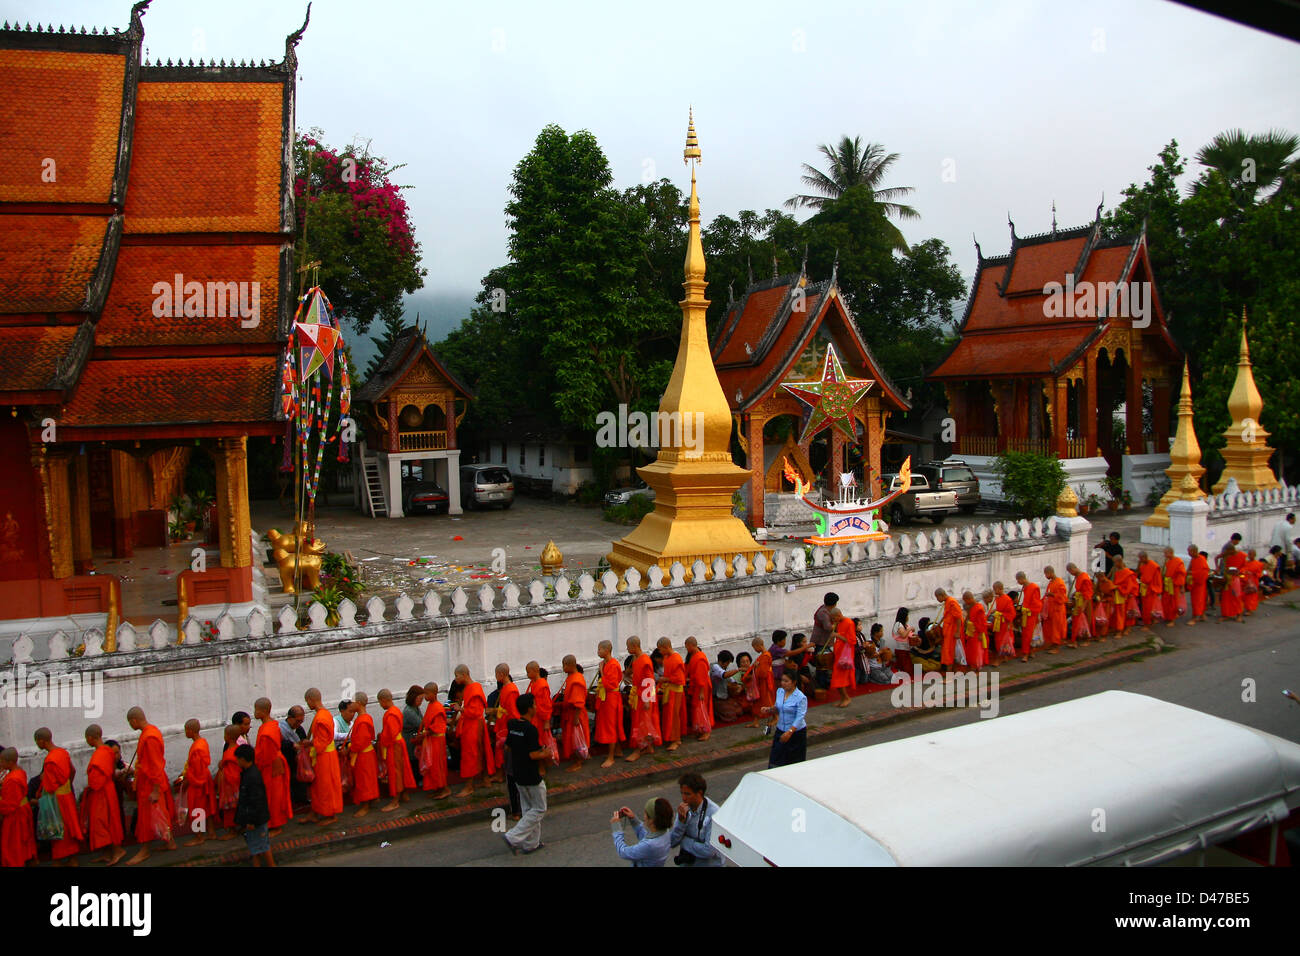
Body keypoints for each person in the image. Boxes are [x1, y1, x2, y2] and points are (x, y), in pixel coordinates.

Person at [125, 706, 177, 864]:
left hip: (150, 784)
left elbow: (155, 765)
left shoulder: (150, 737)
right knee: (159, 813)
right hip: (146, 782)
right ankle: (171, 843)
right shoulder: (149, 733)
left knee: (147, 817)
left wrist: (155, 789)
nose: (130, 725)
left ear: (134, 720)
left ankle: (145, 850)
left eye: (129, 722)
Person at [502, 693, 550, 855]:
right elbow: (533, 754)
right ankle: (512, 836)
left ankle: (531, 844)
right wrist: (547, 753)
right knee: (539, 809)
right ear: (530, 709)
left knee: (529, 809)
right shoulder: (530, 729)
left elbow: (507, 746)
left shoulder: (513, 725)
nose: (536, 707)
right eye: (535, 705)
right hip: (531, 774)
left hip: (517, 773)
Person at [34, 728, 82, 864]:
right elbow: (72, 770)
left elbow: (49, 786)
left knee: (57, 827)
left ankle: (58, 861)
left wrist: (41, 790)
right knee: (70, 825)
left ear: (41, 741)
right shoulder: (63, 753)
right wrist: (68, 785)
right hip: (67, 794)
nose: (37, 744)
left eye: (37, 742)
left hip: (56, 799)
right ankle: (73, 859)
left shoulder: (50, 759)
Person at [82, 724, 125, 864]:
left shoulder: (101, 752)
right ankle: (107, 852)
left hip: (101, 791)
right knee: (103, 820)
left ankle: (117, 850)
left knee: (104, 821)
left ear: (90, 738)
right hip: (106, 788)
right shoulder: (107, 751)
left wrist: (91, 788)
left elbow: (96, 778)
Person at [303, 688, 343, 826]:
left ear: (310, 700)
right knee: (317, 786)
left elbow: (321, 742)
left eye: (307, 701)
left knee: (326, 786)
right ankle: (314, 812)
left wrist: (309, 743)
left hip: (325, 756)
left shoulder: (321, 718)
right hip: (324, 754)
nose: (307, 705)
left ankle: (330, 815)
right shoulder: (324, 714)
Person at [252, 698, 292, 835]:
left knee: (273, 796)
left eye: (256, 709)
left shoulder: (267, 731)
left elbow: (266, 756)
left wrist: (257, 766)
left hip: (271, 767)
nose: (254, 712)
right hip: (274, 762)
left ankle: (276, 825)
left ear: (263, 711)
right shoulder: (272, 725)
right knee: (272, 795)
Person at [234, 744, 275, 867]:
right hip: (256, 818)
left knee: (261, 846)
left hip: (256, 819)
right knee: (256, 847)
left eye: (237, 759)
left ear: (243, 759)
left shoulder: (251, 776)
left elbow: (256, 800)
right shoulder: (250, 773)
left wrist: (251, 821)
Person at [177, 718, 216, 844]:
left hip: (198, 781)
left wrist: (188, 779)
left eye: (186, 730)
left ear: (191, 731)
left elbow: (197, 768)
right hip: (205, 778)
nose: (185, 733)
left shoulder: (197, 748)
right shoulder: (202, 742)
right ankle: (211, 832)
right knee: (207, 807)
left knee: (197, 809)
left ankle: (199, 836)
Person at [670, 772, 721, 866]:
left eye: (688, 794)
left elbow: (709, 851)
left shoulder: (714, 813)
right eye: (682, 793)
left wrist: (684, 841)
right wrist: (681, 823)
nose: (684, 798)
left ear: (699, 793)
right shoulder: (684, 810)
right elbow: (671, 842)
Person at [378, 688, 417, 808]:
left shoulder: (391, 714)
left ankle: (395, 801)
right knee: (402, 768)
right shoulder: (395, 711)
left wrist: (382, 738)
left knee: (396, 771)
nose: (380, 705)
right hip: (398, 743)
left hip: (394, 745)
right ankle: (404, 794)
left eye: (380, 702)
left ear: (384, 700)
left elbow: (392, 733)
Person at [763, 669, 808, 768]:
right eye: (782, 680)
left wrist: (790, 732)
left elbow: (800, 717)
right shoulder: (780, 691)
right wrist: (769, 709)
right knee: (776, 759)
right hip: (781, 730)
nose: (783, 683)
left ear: (794, 682)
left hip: (795, 733)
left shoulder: (801, 697)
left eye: (786, 681)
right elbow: (778, 708)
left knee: (794, 762)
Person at [625, 637, 661, 760]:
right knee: (641, 722)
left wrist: (646, 700)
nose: (627, 649)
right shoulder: (638, 659)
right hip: (638, 694)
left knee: (642, 723)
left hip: (644, 696)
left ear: (634, 646)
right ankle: (648, 747)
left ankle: (639, 748)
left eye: (628, 647)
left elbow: (649, 680)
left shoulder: (645, 661)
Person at [611, 798, 675, 867]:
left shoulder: (650, 845)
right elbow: (646, 838)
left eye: (646, 813)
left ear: (652, 820)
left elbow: (623, 852)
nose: (644, 816)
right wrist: (633, 819)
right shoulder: (665, 832)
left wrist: (616, 828)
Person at [0, 748, 36, 868]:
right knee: (23, 841)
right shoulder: (19, 772)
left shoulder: (12, 780)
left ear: (10, 762)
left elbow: (10, 804)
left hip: (15, 815)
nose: (0, 764)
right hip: (23, 808)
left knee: (12, 844)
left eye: (2, 761)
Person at [415, 682, 451, 799]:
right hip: (430, 740)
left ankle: (444, 789)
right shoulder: (431, 705)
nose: (425, 696)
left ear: (434, 693)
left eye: (427, 693)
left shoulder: (438, 707)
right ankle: (437, 788)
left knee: (437, 765)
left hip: (437, 740)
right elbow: (426, 721)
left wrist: (426, 733)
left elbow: (438, 726)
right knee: (431, 765)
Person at [593, 641, 626, 765]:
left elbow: (610, 684)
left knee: (611, 725)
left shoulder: (612, 664)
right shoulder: (606, 663)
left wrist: (601, 671)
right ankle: (617, 750)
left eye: (600, 649)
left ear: (607, 650)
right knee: (610, 724)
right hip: (606, 697)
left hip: (611, 697)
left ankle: (610, 757)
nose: (598, 652)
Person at [347, 693, 380, 816]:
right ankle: (371, 799)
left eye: (353, 702)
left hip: (364, 754)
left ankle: (366, 805)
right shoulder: (363, 718)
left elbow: (361, 741)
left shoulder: (363, 720)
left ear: (359, 703)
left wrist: (350, 749)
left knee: (364, 779)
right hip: (365, 753)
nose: (351, 704)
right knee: (367, 778)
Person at [490, 665, 520, 782]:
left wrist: (513, 727)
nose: (496, 676)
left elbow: (513, 711)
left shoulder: (511, 690)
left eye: (496, 674)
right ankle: (500, 774)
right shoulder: (506, 688)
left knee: (504, 750)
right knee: (500, 750)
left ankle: (502, 774)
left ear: (501, 674)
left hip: (507, 724)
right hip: (502, 722)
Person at [524, 661, 559, 766]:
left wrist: (547, 721)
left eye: (528, 672)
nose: (527, 675)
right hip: (534, 718)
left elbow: (547, 705)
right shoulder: (534, 683)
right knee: (536, 742)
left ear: (535, 671)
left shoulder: (542, 685)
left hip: (541, 719)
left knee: (541, 742)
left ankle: (543, 766)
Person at [658, 638, 688, 750]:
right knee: (668, 715)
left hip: (675, 691)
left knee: (674, 715)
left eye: (660, 649)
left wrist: (665, 679)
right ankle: (671, 737)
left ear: (666, 647)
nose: (660, 652)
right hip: (668, 689)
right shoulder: (666, 658)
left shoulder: (676, 659)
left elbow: (680, 679)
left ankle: (676, 739)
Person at [560, 655, 590, 770]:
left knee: (576, 738)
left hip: (576, 714)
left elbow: (578, 701)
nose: (563, 668)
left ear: (569, 665)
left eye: (564, 665)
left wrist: (576, 718)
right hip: (571, 713)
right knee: (573, 737)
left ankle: (578, 762)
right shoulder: (572, 677)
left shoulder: (576, 679)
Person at [824, 608, 858, 706]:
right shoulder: (839, 623)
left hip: (845, 656)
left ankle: (846, 698)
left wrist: (837, 635)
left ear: (838, 615)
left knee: (840, 679)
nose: (833, 621)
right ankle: (843, 698)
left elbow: (852, 641)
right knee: (836, 678)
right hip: (839, 654)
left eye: (833, 619)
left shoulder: (849, 623)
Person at [684, 636, 714, 742]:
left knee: (702, 708)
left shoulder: (700, 657)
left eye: (687, 646)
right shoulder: (695, 656)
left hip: (702, 687)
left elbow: (701, 675)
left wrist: (701, 691)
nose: (686, 649)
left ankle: (706, 731)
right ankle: (701, 729)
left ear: (691, 645)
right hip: (697, 686)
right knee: (697, 708)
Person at [278, 705, 308, 807]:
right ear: (290, 718)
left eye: (301, 722)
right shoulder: (280, 729)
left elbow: (303, 740)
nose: (299, 724)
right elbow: (279, 745)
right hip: (287, 760)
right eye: (297, 721)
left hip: (299, 762)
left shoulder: (299, 729)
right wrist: (292, 745)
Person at [216, 724, 242, 839]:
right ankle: (240, 826)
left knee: (229, 809)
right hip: (238, 784)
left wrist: (222, 767)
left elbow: (230, 772)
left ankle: (232, 831)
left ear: (228, 737)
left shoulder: (229, 753)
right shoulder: (238, 750)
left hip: (230, 786)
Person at [749, 636, 777, 726]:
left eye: (754, 648)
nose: (755, 650)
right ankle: (756, 721)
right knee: (757, 702)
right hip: (761, 683)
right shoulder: (763, 656)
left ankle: (776, 717)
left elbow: (763, 673)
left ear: (758, 645)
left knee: (768, 701)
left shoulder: (765, 656)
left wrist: (756, 668)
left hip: (765, 683)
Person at [402, 685, 425, 787]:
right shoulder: (409, 711)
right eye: (420, 699)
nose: (421, 701)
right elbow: (421, 723)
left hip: (414, 738)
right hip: (409, 740)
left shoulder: (415, 708)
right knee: (413, 761)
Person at [1015, 571, 1041, 662]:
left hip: (1031, 614)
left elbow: (1036, 603)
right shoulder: (1025, 588)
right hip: (1026, 614)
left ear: (1021, 579)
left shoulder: (1033, 587)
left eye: (1018, 580)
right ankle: (1028, 651)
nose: (1018, 582)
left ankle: (1026, 653)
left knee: (1029, 634)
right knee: (1026, 634)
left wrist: (1029, 610)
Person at [936, 588, 963, 674]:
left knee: (949, 652)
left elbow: (958, 617)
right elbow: (946, 615)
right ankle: (952, 671)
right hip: (948, 630)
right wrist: (938, 624)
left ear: (941, 595)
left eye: (937, 597)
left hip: (952, 631)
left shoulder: (952, 602)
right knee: (948, 651)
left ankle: (949, 674)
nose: (937, 599)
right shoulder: (947, 602)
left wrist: (958, 632)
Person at [1065, 563, 1093, 646]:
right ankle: (1074, 641)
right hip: (1078, 602)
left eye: (1070, 572)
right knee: (1076, 622)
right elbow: (1079, 590)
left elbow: (1088, 593)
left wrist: (1084, 606)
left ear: (1073, 569)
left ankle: (1087, 640)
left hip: (1085, 602)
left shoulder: (1084, 577)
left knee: (1086, 621)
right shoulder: (1078, 577)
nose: (1071, 574)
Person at [1219, 544, 1246, 623]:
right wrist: (1218, 567)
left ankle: (1239, 615)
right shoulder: (1227, 556)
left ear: (1232, 550)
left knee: (1236, 597)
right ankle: (1225, 615)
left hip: (1236, 579)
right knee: (1225, 597)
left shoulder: (1242, 555)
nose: (1227, 554)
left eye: (1228, 552)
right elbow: (1217, 558)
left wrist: (1239, 571)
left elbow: (1245, 566)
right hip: (1227, 578)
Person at [1042, 567, 1067, 653]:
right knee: (1050, 628)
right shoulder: (1051, 582)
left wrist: (1052, 594)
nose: (1045, 576)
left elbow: (1062, 597)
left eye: (1046, 574)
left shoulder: (1059, 582)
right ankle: (1052, 644)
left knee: (1056, 628)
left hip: (1058, 609)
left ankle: (1056, 647)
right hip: (1051, 609)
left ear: (1050, 572)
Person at [961, 591, 987, 671]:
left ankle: (977, 668)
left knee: (976, 651)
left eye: (965, 601)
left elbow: (982, 622)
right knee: (970, 650)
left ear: (969, 599)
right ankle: (972, 666)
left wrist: (980, 633)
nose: (965, 603)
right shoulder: (971, 607)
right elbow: (969, 618)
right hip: (971, 632)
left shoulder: (979, 608)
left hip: (977, 632)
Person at [1112, 557, 1139, 633]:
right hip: (1120, 594)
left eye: (1115, 563)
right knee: (1120, 613)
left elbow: (1130, 586)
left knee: (1128, 613)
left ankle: (1126, 628)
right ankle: (1120, 627)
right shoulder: (1117, 572)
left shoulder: (1128, 573)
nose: (1114, 565)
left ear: (1119, 562)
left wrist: (1119, 588)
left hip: (1127, 595)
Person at [1161, 546, 1187, 627]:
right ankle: (1167, 616)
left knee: (1173, 603)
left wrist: (1182, 587)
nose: (1164, 555)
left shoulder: (1178, 561)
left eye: (1166, 553)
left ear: (1171, 553)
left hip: (1174, 585)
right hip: (1167, 584)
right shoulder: (1168, 561)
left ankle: (1172, 620)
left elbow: (1182, 574)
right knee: (1165, 601)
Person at [1137, 551, 1163, 628]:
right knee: (1145, 607)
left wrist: (1156, 588)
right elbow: (1140, 573)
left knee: (1148, 607)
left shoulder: (1153, 566)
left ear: (1144, 557)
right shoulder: (1144, 565)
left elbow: (1157, 579)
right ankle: (1149, 621)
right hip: (1144, 588)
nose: (1140, 560)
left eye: (1140, 559)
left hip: (1151, 589)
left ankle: (1147, 624)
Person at [991, 583, 1016, 661]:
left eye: (995, 589)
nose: (994, 591)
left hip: (1005, 623)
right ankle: (1004, 656)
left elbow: (1012, 613)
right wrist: (994, 611)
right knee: (998, 640)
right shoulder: (998, 598)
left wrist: (1001, 614)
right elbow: (999, 609)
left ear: (999, 589)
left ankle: (1001, 658)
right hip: (998, 623)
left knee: (1003, 641)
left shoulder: (1007, 599)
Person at [891, 608, 917, 674]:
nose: (908, 617)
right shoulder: (898, 624)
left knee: (910, 669)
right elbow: (903, 635)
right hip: (901, 650)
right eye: (907, 615)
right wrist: (910, 629)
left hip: (906, 649)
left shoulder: (904, 624)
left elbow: (908, 634)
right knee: (908, 671)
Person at [1270, 513, 1295, 580]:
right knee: (1281, 566)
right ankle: (1280, 579)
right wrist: (1289, 552)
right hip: (1281, 548)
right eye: (1294, 519)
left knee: (1274, 564)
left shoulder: (1278, 524)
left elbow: (1272, 534)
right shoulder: (1288, 527)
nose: (1294, 521)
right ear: (1290, 519)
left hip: (1273, 546)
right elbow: (1288, 540)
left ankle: (1275, 578)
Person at [1242, 549, 1266, 615]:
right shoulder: (1245, 563)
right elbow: (1242, 570)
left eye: (1251, 554)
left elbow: (1259, 574)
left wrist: (1252, 573)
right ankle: (1245, 608)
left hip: (1253, 582)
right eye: (1249, 554)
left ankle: (1249, 610)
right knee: (1244, 595)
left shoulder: (1259, 564)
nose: (1249, 555)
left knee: (1251, 596)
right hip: (1245, 581)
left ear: (1255, 555)